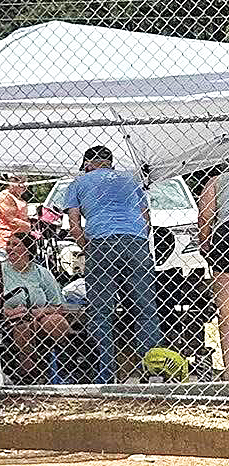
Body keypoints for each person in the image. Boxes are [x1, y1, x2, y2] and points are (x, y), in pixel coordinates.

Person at [60, 145, 164, 384]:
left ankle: (106, 374)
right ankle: (154, 370)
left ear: (87, 165)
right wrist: (137, 238)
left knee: (101, 311)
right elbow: (146, 218)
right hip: (135, 241)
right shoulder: (131, 181)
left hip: (101, 240)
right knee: (145, 307)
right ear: (110, 163)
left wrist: (88, 247)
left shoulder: (77, 183)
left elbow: (75, 225)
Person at [0, 230, 74, 384]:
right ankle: (30, 374)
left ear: (27, 250)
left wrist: (41, 311)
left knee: (57, 321)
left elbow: (58, 306)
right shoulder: (0, 271)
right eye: (8, 245)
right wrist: (8, 311)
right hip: (11, 319)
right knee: (22, 327)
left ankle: (66, 363)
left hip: (38, 317)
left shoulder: (41, 272)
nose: (9, 248)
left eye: (15, 245)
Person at [199, 170, 229, 373]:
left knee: (226, 312)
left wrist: (205, 244)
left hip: (226, 236)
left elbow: (205, 216)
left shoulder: (218, 180)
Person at [0, 172, 33, 253]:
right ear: (7, 181)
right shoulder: (4, 196)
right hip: (6, 240)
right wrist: (31, 227)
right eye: (17, 179)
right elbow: (11, 220)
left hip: (20, 239)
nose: (23, 184)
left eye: (25, 180)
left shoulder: (18, 197)